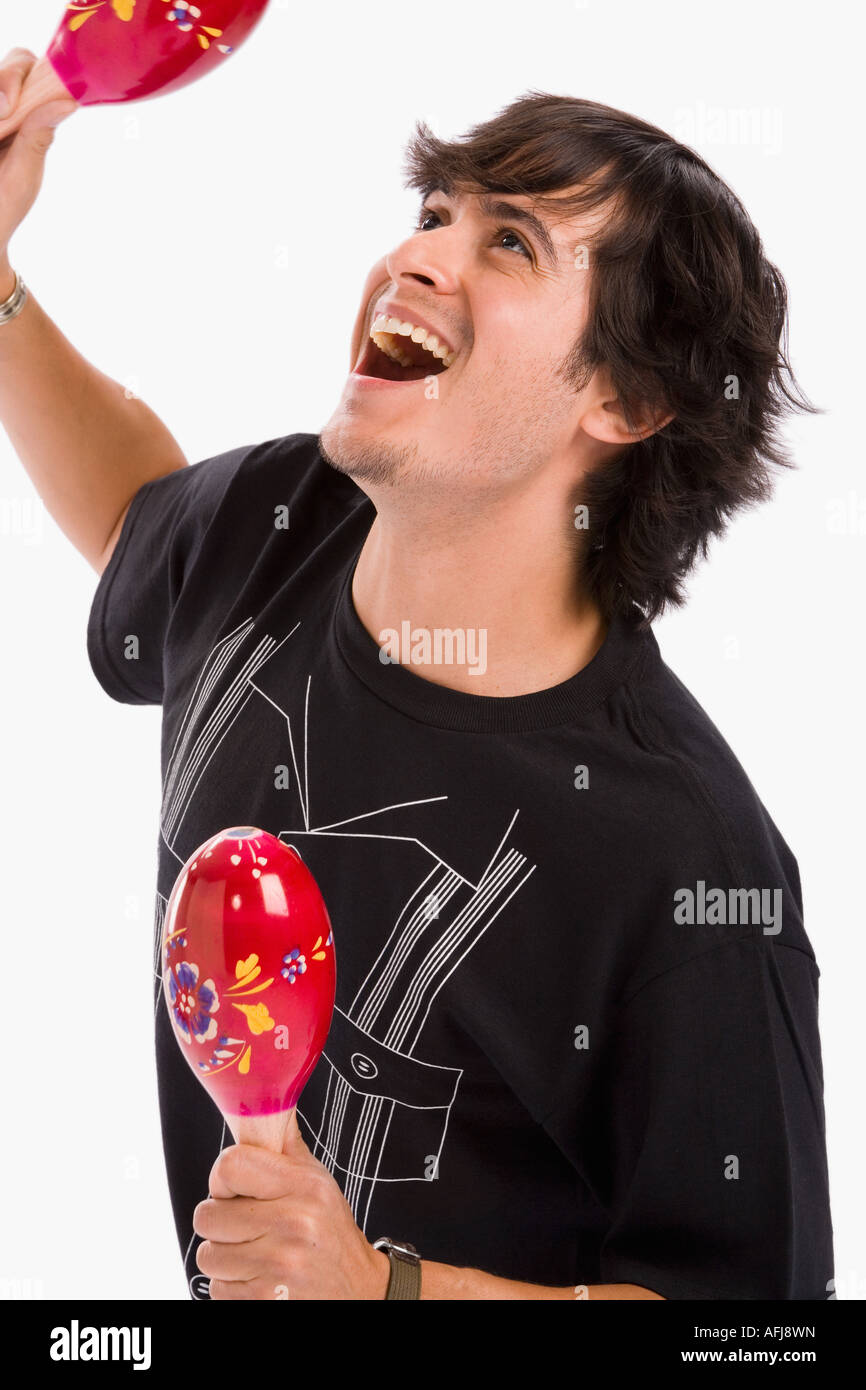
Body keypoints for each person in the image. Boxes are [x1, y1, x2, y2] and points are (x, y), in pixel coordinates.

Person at [0, 49, 834, 1301]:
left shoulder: (688, 864)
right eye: (436, 211)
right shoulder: (285, 524)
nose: (420, 254)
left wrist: (384, 1289)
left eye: (511, 244)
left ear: (626, 397)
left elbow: (744, 1328)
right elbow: (136, 519)